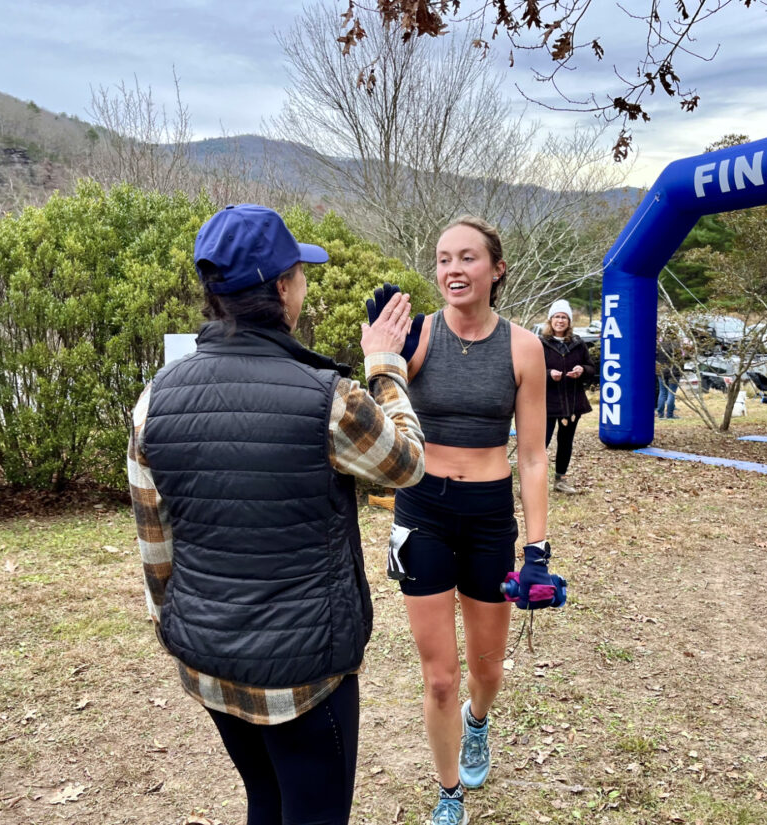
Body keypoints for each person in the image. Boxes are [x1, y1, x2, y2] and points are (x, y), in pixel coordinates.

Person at [127, 204, 425, 825]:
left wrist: (174, 630)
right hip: (306, 675)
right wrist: (386, 367)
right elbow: (406, 464)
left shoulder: (156, 397)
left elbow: (157, 545)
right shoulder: (328, 399)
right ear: (283, 288)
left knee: (264, 799)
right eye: (299, 272)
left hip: (207, 660)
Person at [374, 216, 554, 825]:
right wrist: (379, 356)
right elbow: (378, 414)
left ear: (496, 269)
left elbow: (531, 455)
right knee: (441, 677)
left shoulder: (524, 346)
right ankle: (449, 793)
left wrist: (538, 547)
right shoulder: (419, 336)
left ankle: (479, 724)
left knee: (486, 668)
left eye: (468, 257)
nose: (454, 268)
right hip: (421, 510)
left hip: (487, 518)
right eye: (444, 257)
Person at [540, 299, 596, 494]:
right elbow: (531, 370)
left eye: (564, 317)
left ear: (569, 321)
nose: (560, 321)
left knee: (566, 442)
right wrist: (549, 374)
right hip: (547, 402)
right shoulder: (540, 343)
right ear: (550, 320)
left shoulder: (578, 344)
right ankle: (533, 482)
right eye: (557, 317)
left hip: (572, 402)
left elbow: (591, 368)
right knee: (542, 443)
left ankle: (561, 481)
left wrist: (582, 370)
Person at [655, 337, 682, 419]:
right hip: (674, 372)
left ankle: (660, 414)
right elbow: (682, 358)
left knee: (662, 392)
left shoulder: (660, 346)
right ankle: (670, 414)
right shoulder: (677, 346)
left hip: (662, 372)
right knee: (671, 393)